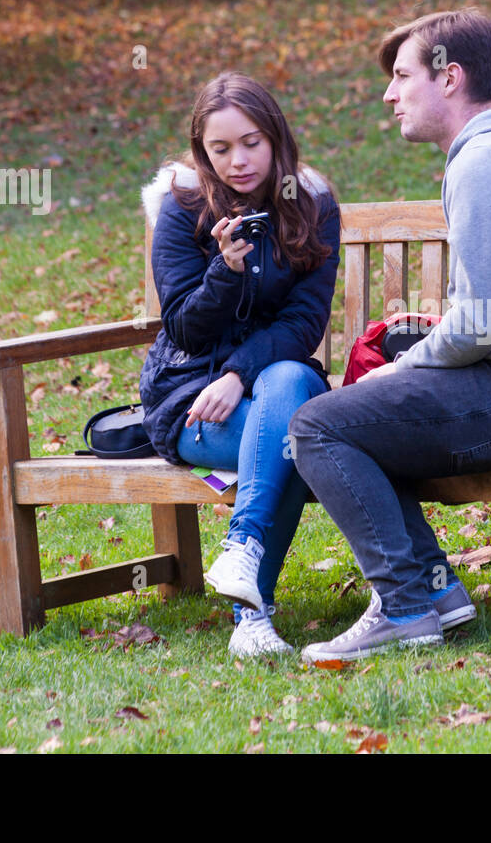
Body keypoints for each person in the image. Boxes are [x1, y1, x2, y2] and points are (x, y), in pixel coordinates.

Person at [290, 9, 491, 661]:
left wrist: (400, 370)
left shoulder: (487, 161)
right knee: (361, 420)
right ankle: (438, 592)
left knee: (318, 426)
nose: (389, 94)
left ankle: (404, 606)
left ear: (449, 77)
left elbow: (484, 323)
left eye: (402, 76)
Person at [138, 71, 340, 657]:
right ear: (202, 150)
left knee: (289, 380)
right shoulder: (182, 208)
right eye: (219, 149)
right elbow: (181, 328)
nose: (238, 161)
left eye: (251, 142)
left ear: (275, 137)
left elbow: (303, 325)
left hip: (270, 386)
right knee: (299, 445)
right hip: (191, 397)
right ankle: (252, 619)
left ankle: (244, 557)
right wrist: (223, 271)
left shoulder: (312, 207)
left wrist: (238, 374)